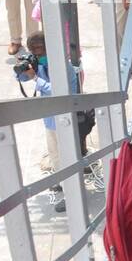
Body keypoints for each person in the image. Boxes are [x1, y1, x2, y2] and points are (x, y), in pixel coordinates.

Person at [21, 30, 81, 213]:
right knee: (54, 154)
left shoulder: (63, 65)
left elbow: (58, 91)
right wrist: (23, 72)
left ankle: (73, 195)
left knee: (68, 157)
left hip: (64, 119)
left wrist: (35, 78)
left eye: (40, 51)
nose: (38, 55)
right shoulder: (38, 62)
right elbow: (25, 77)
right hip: (50, 119)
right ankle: (63, 182)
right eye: (35, 52)